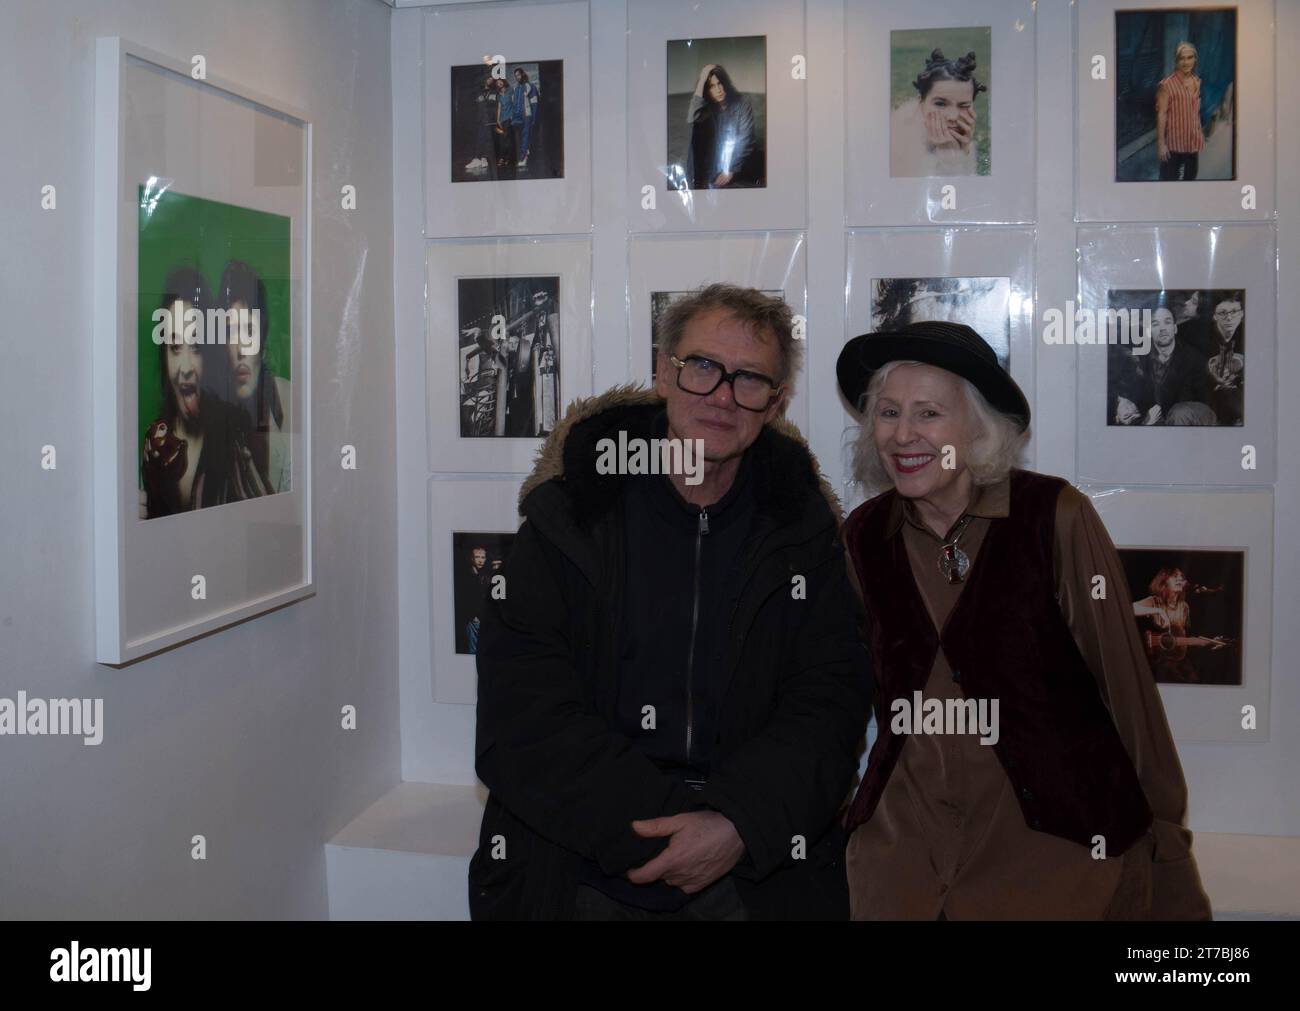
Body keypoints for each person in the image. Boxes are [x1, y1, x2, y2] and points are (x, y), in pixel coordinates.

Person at [469, 284, 870, 920]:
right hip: (577, 864)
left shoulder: (803, 532)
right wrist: (672, 831)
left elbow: (830, 702)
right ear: (662, 371)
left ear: (775, 401)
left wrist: (734, 824)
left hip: (753, 872)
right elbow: (522, 716)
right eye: (702, 367)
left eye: (749, 379)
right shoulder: (570, 518)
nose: (721, 396)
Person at [835, 320, 1211, 919]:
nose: (903, 434)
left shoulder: (1054, 516)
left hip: (1055, 867)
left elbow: (1128, 698)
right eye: (886, 412)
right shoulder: (862, 538)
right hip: (901, 865)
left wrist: (1168, 857)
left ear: (978, 428)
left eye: (928, 413)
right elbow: (847, 698)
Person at [141, 267, 263, 518]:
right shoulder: (153, 444)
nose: (185, 367)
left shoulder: (233, 443)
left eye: (196, 347)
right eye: (174, 347)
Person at [218, 260, 292, 494]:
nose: (240, 348)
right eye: (230, 331)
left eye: (249, 330)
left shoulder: (292, 400)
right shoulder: (211, 412)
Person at [1110, 305, 1215, 426]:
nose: (1162, 329)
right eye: (1155, 324)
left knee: (1179, 412)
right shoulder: (1140, 357)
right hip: (1155, 419)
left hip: (1188, 415)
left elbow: (1199, 399)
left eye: (1167, 322)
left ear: (1175, 328)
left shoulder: (1194, 358)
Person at [890, 48, 985, 177]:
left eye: (964, 105)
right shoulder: (900, 141)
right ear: (921, 103)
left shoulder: (963, 133)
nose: (952, 116)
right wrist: (949, 157)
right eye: (940, 104)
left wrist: (963, 152)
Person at [1133, 568, 1228, 684]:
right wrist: (1158, 611)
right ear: (1164, 581)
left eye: (1181, 576)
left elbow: (1183, 637)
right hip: (1155, 662)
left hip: (1178, 661)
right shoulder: (1154, 601)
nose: (1180, 578)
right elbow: (1130, 609)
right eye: (1174, 576)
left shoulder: (1185, 607)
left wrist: (1210, 642)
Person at [684, 63, 759, 189]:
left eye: (720, 84)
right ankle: (697, 179)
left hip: (737, 162)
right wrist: (702, 78)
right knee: (697, 131)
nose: (718, 90)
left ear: (726, 84)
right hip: (715, 159)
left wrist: (730, 170)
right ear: (706, 90)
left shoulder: (742, 104)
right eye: (712, 86)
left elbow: (745, 140)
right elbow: (692, 118)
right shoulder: (708, 107)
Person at [1156, 42, 1203, 181]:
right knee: (1168, 183)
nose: (1186, 62)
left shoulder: (1196, 81)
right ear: (1176, 61)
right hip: (1174, 146)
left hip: (1192, 143)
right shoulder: (1166, 85)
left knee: (1190, 179)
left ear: (1195, 60)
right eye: (1182, 58)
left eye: (1190, 58)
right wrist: (1161, 144)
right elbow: (1161, 114)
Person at [511, 67, 539, 169]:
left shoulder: (530, 86)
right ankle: (526, 150)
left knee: (525, 135)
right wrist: (513, 116)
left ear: (522, 74)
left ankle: (523, 158)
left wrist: (534, 118)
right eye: (515, 76)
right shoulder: (516, 88)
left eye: (518, 75)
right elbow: (514, 103)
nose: (517, 77)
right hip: (517, 116)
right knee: (520, 137)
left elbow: (534, 103)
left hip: (527, 114)